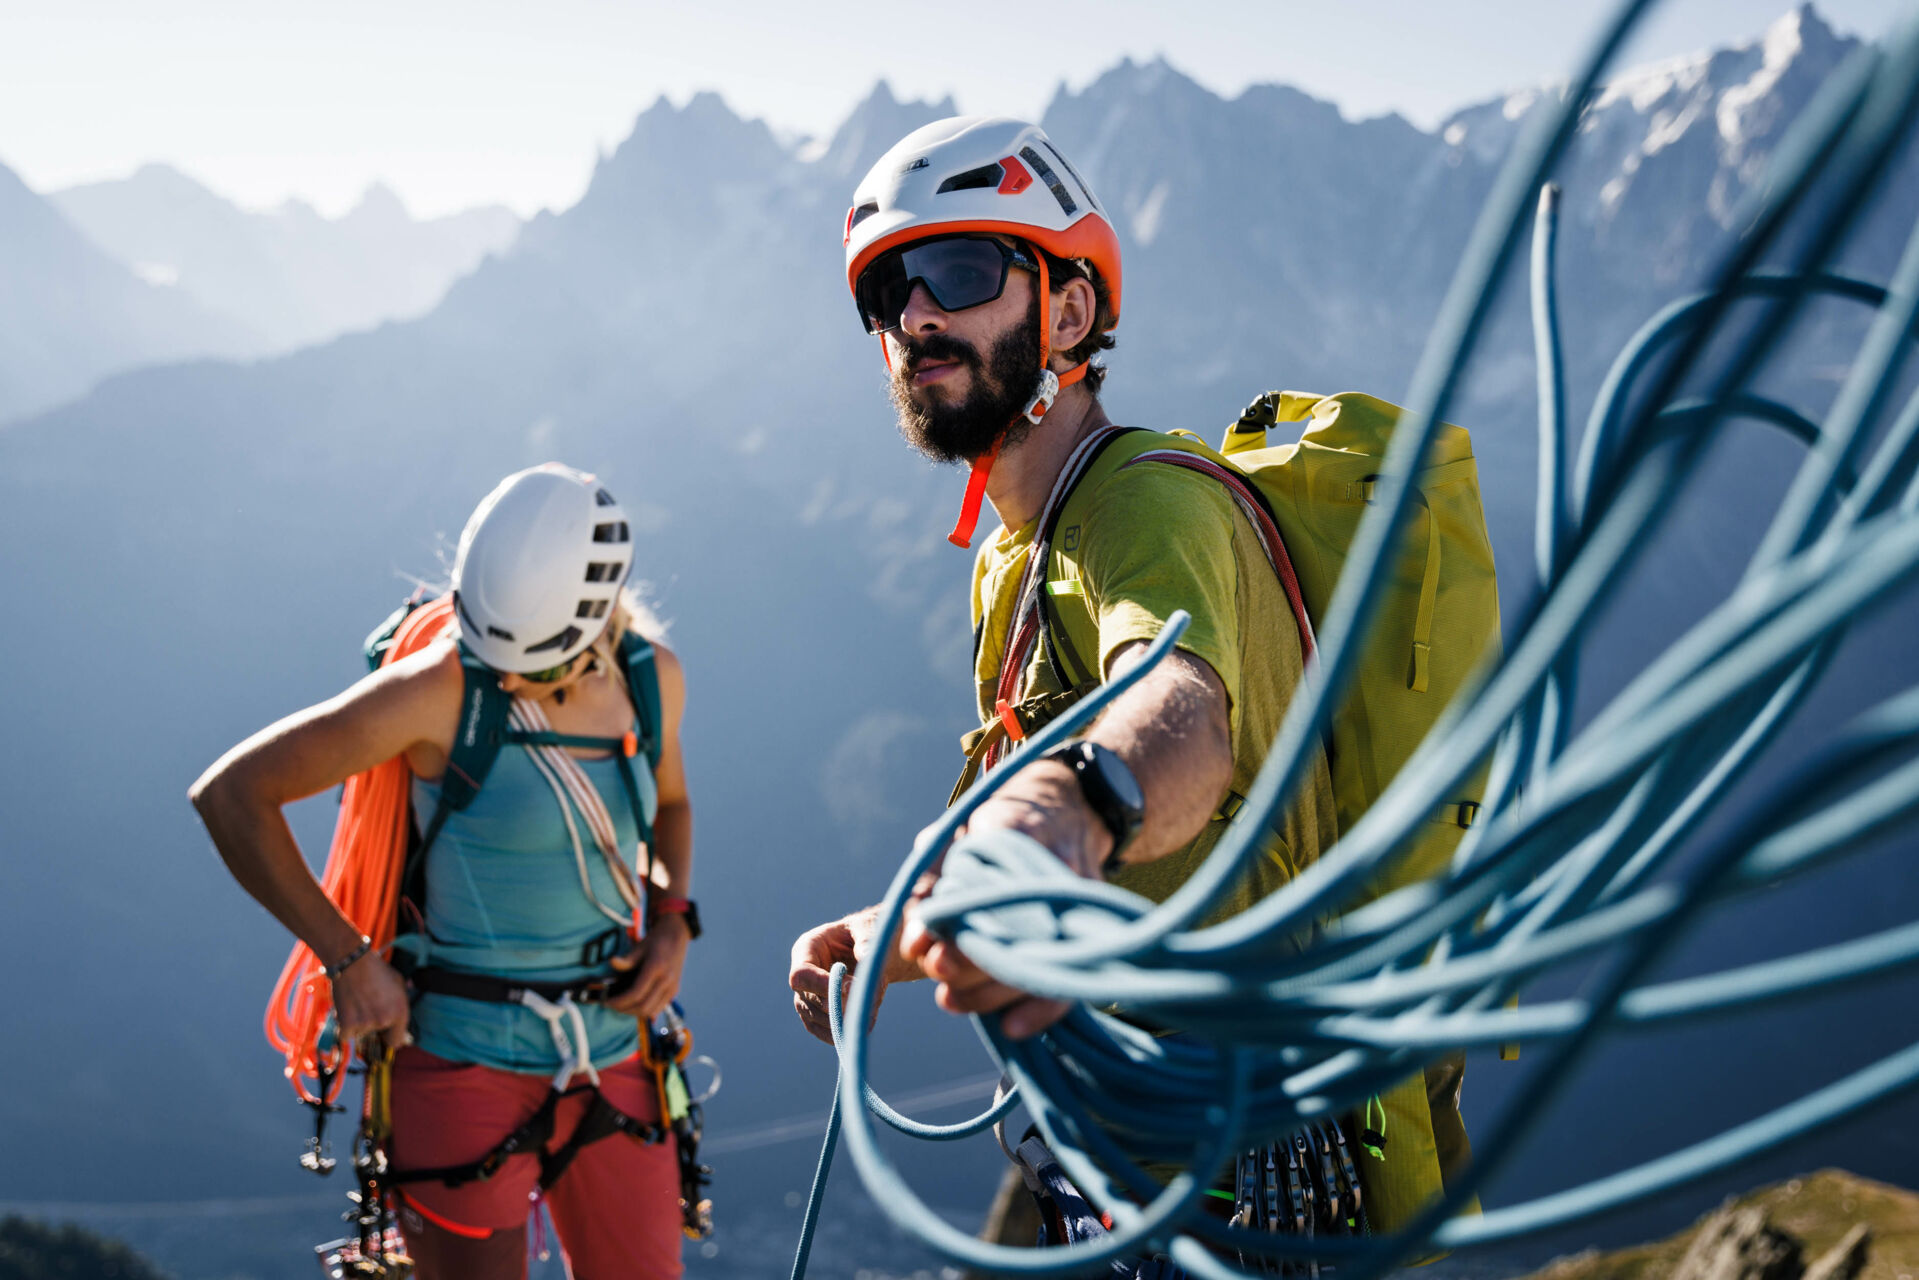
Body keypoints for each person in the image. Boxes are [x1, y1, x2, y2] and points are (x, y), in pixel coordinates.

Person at [787, 116, 1467, 1246]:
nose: (916, 315)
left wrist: (1081, 800)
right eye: (888, 292)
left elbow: (1182, 718)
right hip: (1116, 1167)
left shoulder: (1143, 507)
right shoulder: (1015, 552)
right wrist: (883, 935)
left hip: (1241, 1186)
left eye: (957, 270)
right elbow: (1033, 863)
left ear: (1066, 311)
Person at [192, 463, 696, 1280]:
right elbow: (231, 796)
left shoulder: (649, 678)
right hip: (461, 1062)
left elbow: (670, 805)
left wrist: (672, 916)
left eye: (536, 665)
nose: (513, 680)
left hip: (613, 1049)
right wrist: (348, 959)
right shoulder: (437, 690)